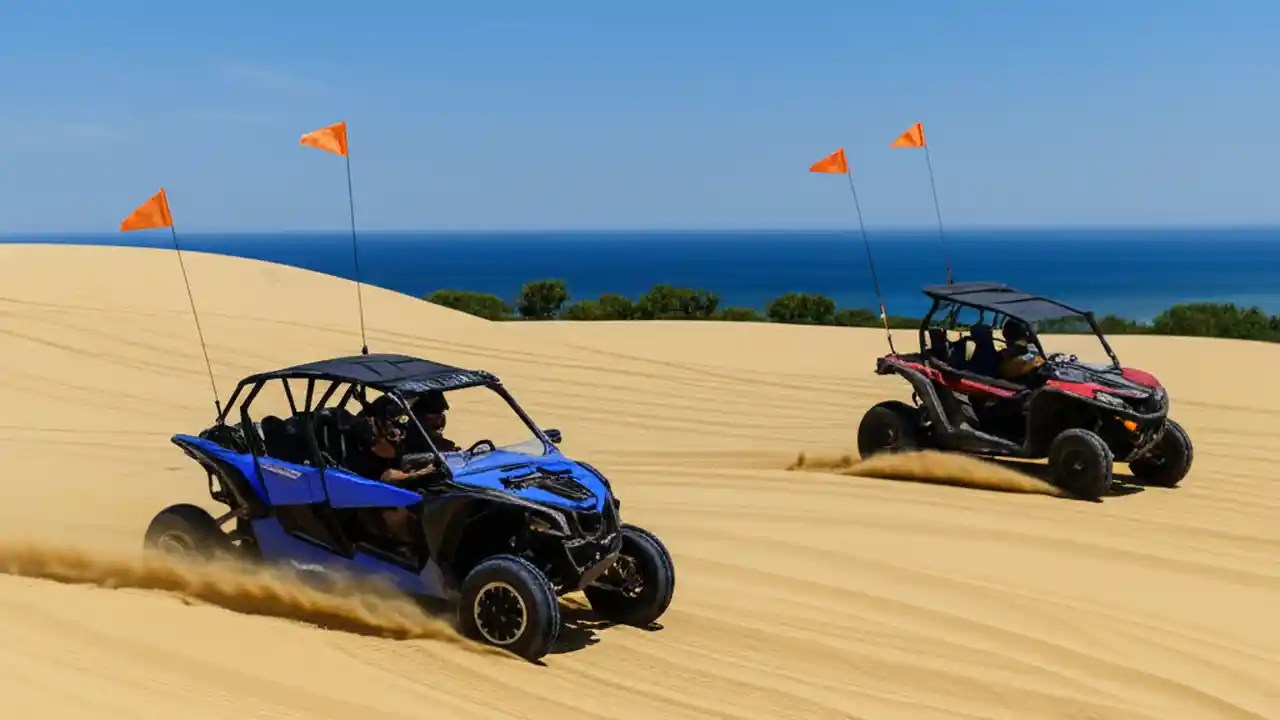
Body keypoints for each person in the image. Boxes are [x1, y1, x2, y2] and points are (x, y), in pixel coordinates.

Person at [346, 395, 437, 544]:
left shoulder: (394, 429)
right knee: (399, 515)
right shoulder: (367, 431)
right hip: (367, 487)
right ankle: (408, 547)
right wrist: (419, 473)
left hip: (389, 479)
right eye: (394, 418)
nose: (398, 426)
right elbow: (387, 472)